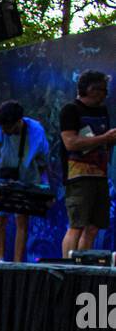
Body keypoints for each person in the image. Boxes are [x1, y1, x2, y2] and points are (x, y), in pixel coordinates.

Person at [0, 99, 53, 262]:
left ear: (19, 121)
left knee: (22, 218)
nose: (4, 131)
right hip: (1, 176)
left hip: (26, 176)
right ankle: (0, 260)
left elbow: (43, 165)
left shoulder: (36, 131)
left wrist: (46, 190)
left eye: (7, 127)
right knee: (0, 217)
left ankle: (18, 261)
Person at [59, 71, 116, 260]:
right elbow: (70, 142)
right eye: (101, 89)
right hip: (78, 175)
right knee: (77, 224)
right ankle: (67, 265)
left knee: (93, 226)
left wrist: (109, 142)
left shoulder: (102, 111)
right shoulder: (71, 110)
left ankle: (82, 262)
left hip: (99, 174)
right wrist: (104, 138)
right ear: (89, 89)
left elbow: (105, 143)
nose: (104, 94)